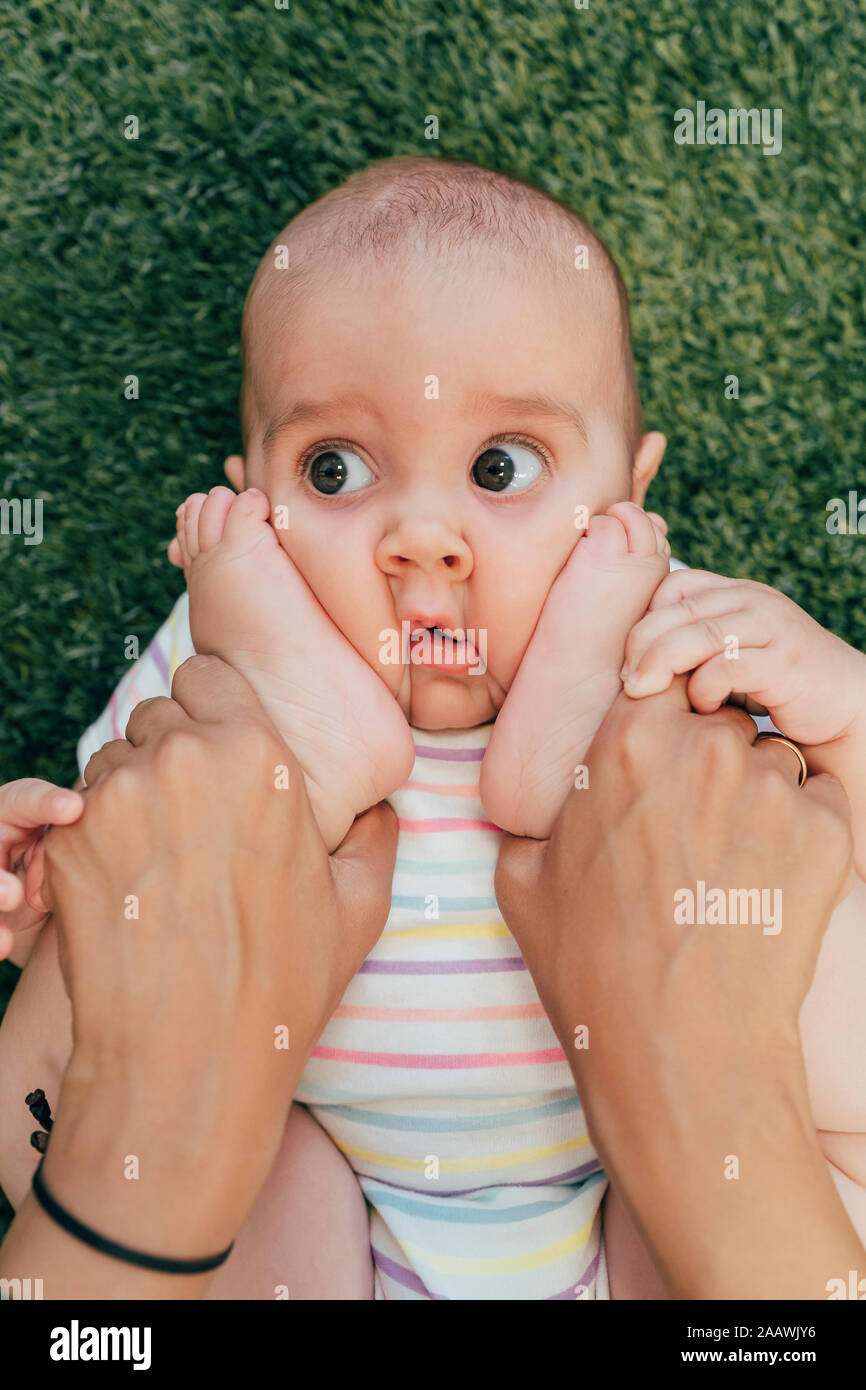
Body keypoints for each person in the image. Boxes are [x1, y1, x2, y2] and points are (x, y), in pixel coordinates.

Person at [3, 154, 866, 1297]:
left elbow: (819, 847)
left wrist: (846, 709)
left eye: (500, 467)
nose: (421, 535)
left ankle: (549, 754)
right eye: (334, 468)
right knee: (59, 1082)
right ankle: (314, 772)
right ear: (250, 497)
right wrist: (52, 878)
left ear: (627, 495)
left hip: (662, 1189)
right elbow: (129, 863)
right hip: (319, 1210)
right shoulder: (227, 645)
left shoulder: (681, 631)